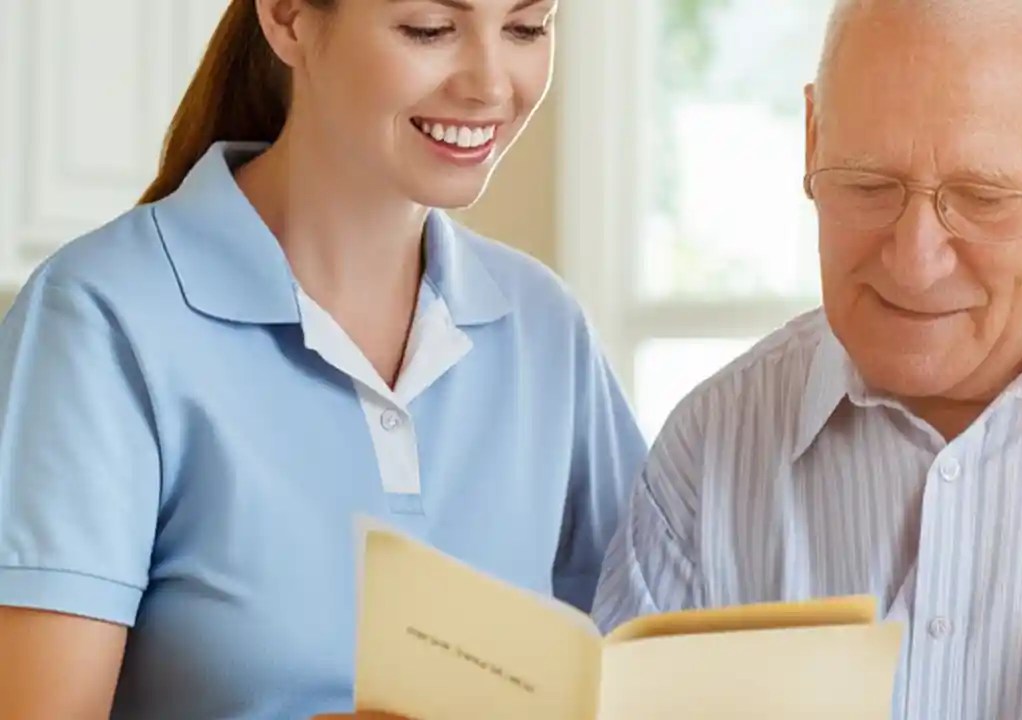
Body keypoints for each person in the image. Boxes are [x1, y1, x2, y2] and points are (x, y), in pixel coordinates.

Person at [593, 0, 1022, 717]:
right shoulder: (710, 451)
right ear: (812, 139)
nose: (915, 262)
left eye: (983, 199)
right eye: (868, 185)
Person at [0, 0, 646, 718]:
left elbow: (648, 668)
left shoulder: (541, 326)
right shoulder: (101, 317)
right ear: (287, 18)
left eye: (526, 28)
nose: (491, 84)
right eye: (430, 29)